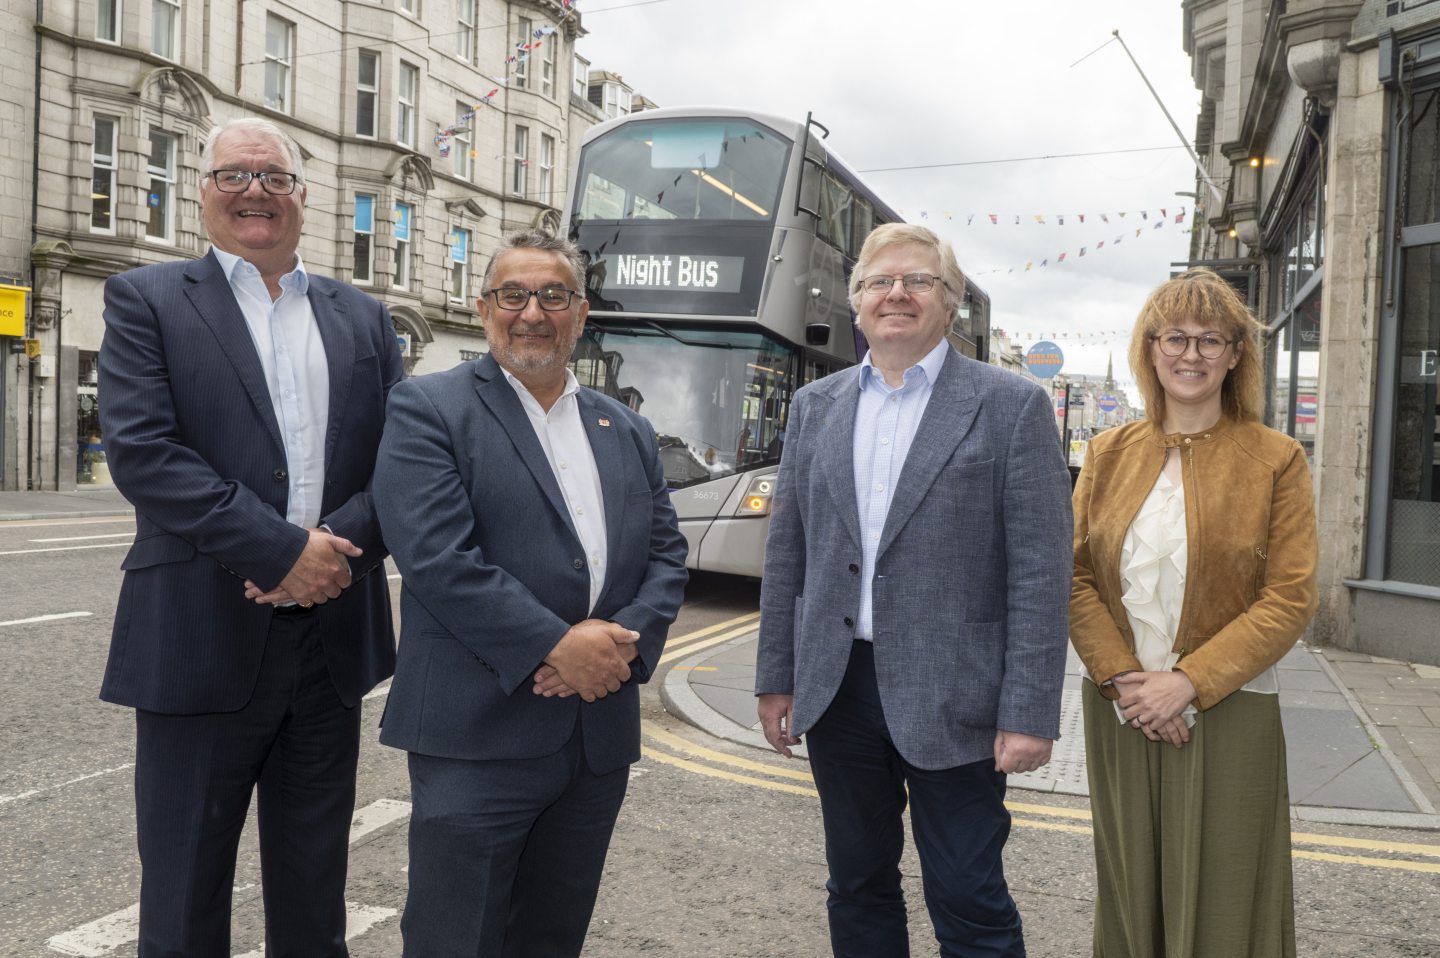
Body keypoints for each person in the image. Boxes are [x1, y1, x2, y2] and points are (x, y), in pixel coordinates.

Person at [97, 116, 403, 956]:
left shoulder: (365, 319)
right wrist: (282, 553)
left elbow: (402, 463)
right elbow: (144, 454)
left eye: (273, 176)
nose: (254, 192)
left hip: (330, 641)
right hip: (197, 635)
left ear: (304, 196)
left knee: (314, 896)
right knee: (186, 896)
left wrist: (332, 550)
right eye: (233, 175)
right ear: (203, 193)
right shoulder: (147, 299)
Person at [755, 223, 1074, 958]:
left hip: (958, 697)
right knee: (857, 886)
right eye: (878, 282)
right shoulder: (816, 406)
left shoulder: (1012, 406)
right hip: (839, 692)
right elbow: (789, 557)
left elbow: (1040, 570)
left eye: (918, 281)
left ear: (949, 302)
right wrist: (777, 679)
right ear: (857, 300)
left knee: (968, 897)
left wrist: (1028, 713)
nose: (895, 294)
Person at [372, 229, 689, 957]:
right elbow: (437, 559)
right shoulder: (429, 408)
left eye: (553, 295)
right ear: (485, 309)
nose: (532, 313)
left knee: (552, 937)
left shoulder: (628, 428)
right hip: (476, 735)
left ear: (581, 314)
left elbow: (667, 556)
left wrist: (615, 650)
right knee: (456, 938)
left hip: (593, 739)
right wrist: (559, 645)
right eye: (513, 295)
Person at [1070, 267, 1318, 957]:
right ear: (1149, 350)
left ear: (1237, 355)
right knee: (1131, 886)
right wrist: (1123, 680)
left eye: (1212, 340)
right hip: (1120, 709)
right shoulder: (1106, 453)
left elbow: (1291, 595)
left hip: (1227, 707)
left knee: (1227, 893)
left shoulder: (1277, 459)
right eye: (1175, 337)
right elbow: (1072, 576)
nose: (1191, 354)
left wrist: (1187, 682)